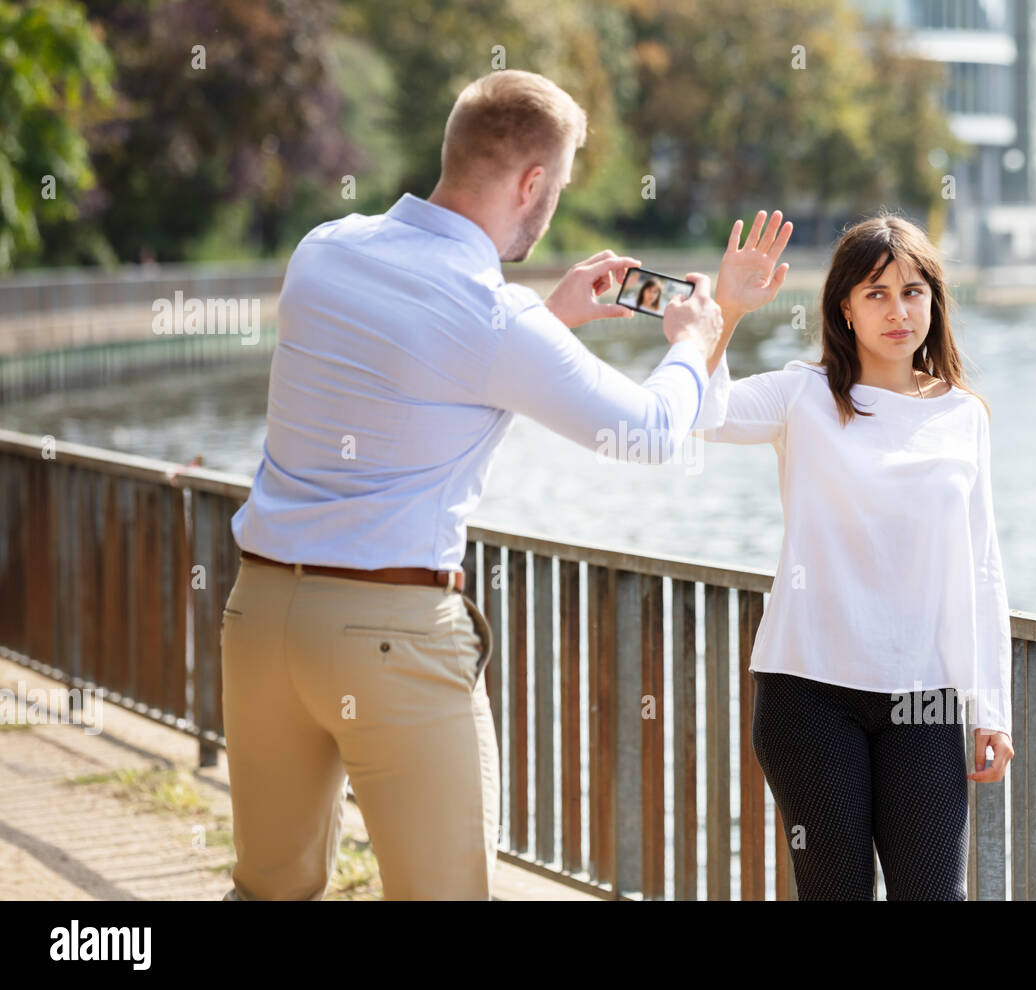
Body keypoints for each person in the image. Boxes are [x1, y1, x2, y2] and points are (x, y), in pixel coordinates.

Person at [219, 69, 723, 901]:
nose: (554, 202)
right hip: (387, 637)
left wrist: (545, 319)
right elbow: (648, 431)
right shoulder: (497, 317)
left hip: (262, 615)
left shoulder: (324, 249)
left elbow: (409, 372)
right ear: (532, 182)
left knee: (267, 889)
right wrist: (694, 344)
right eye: (556, 186)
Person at [696, 209, 1015, 900]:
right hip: (808, 691)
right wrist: (727, 310)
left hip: (923, 698)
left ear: (934, 298)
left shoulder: (964, 415)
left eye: (913, 291)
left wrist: (991, 706)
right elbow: (700, 412)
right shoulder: (802, 396)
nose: (898, 311)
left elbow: (982, 567)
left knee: (933, 892)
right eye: (876, 293)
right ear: (844, 308)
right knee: (836, 890)